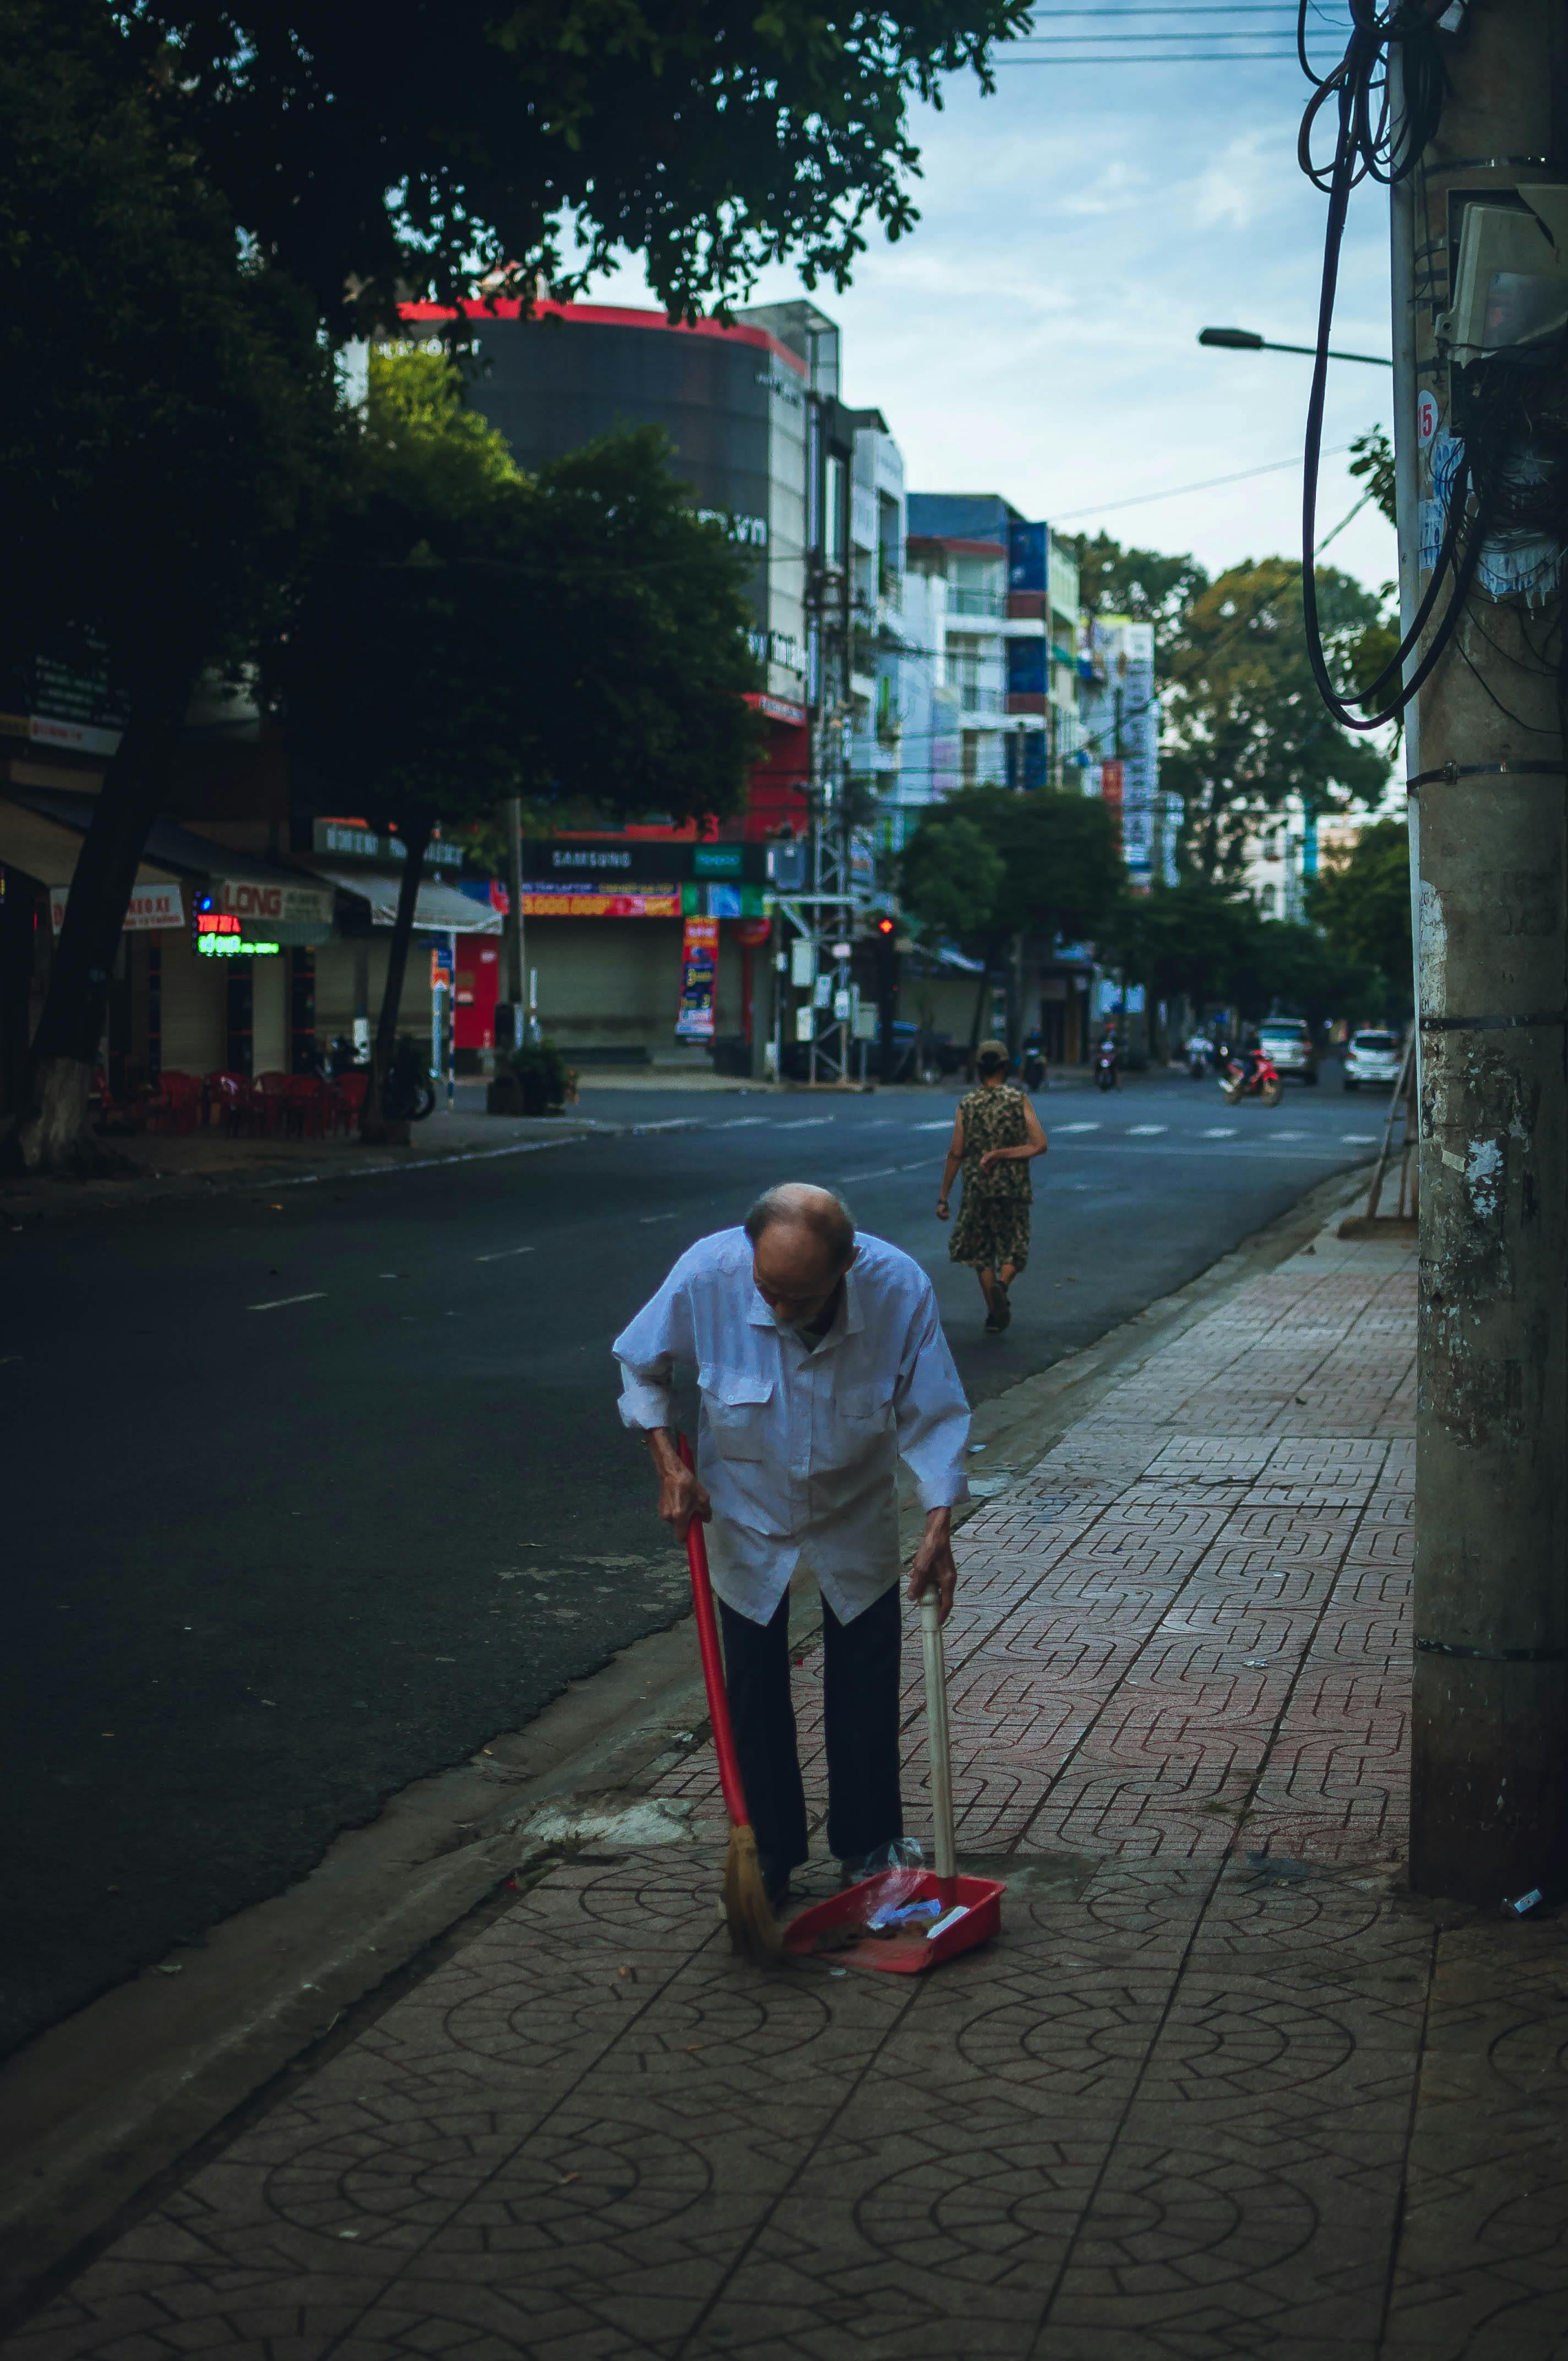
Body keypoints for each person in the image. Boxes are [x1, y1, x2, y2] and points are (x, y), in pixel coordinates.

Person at [612, 1183, 970, 1906]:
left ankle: (870, 1852)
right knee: (752, 1690)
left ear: (847, 1269)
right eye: (766, 1291)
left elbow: (934, 1415)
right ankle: (770, 1855)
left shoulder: (898, 1289)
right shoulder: (709, 1274)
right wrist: (669, 1464)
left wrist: (938, 1527)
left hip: (853, 1508)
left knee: (866, 1680)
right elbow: (641, 1364)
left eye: (798, 1299)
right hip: (742, 1509)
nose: (776, 1311)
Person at [937, 1040, 1048, 1332]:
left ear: (978, 1068)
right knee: (1015, 1245)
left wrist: (944, 1196)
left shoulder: (968, 1104)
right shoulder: (1017, 1099)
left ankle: (994, 1314)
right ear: (1005, 1067)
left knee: (982, 1252)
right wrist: (1005, 1153)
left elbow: (956, 1152)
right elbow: (1039, 1145)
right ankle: (1002, 1284)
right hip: (1013, 1187)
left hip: (977, 1188)